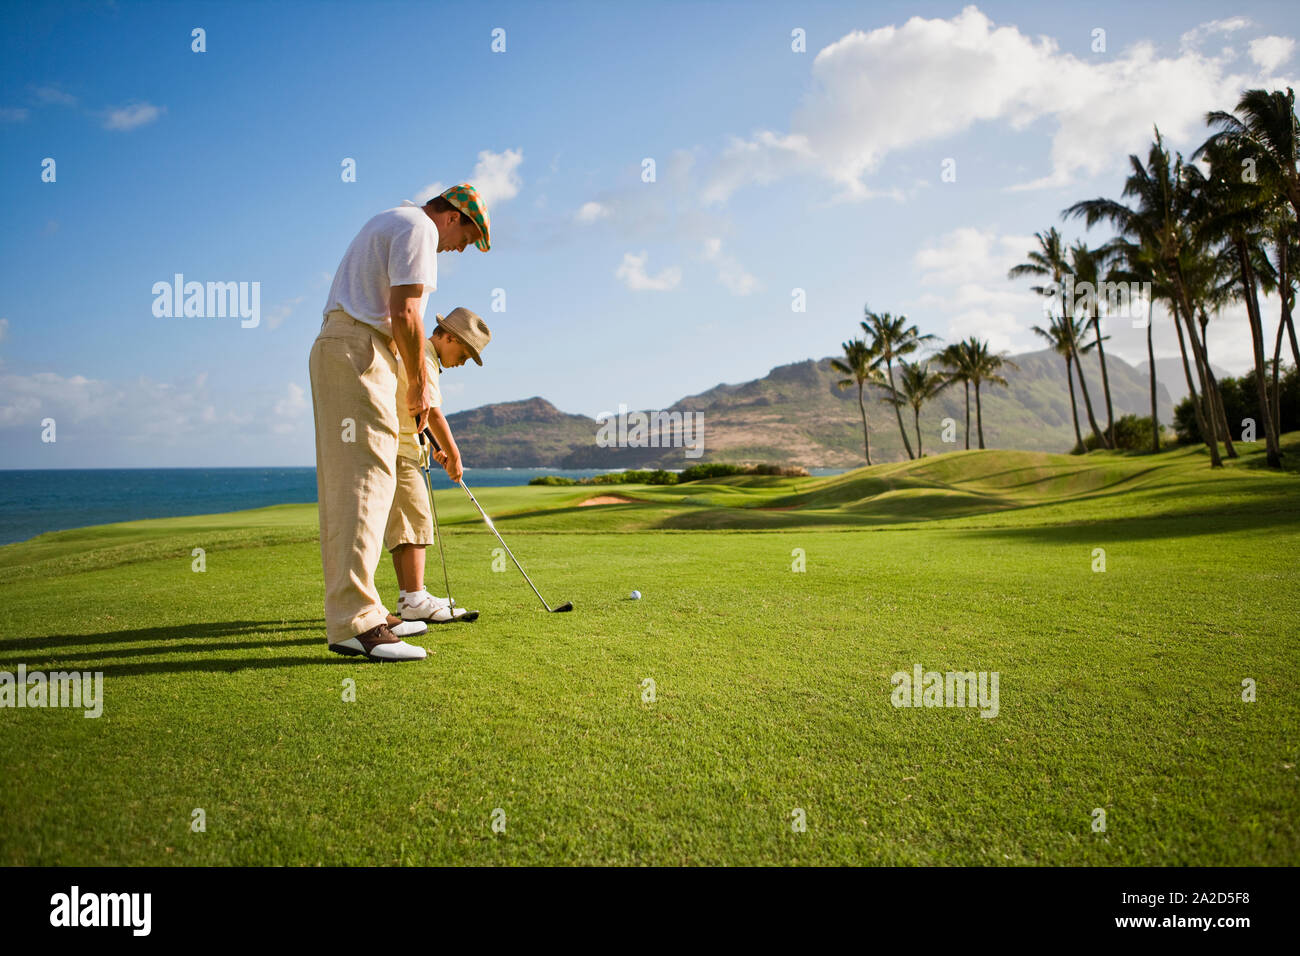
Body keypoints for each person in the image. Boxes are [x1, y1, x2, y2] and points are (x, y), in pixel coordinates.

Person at [308, 184, 492, 661]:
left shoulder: (397, 220)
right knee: (363, 483)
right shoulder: (419, 229)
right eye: (467, 238)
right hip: (358, 350)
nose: (459, 249)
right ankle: (355, 623)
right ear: (452, 218)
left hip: (352, 347)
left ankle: (364, 608)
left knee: (368, 482)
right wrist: (418, 383)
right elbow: (406, 311)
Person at [384, 308, 492, 623]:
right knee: (416, 522)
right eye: (465, 352)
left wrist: (433, 445)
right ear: (448, 337)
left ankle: (410, 597)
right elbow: (432, 411)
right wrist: (454, 454)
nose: (464, 361)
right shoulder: (424, 357)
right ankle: (415, 598)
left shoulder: (420, 354)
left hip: (401, 448)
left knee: (404, 528)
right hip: (400, 452)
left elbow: (416, 411)